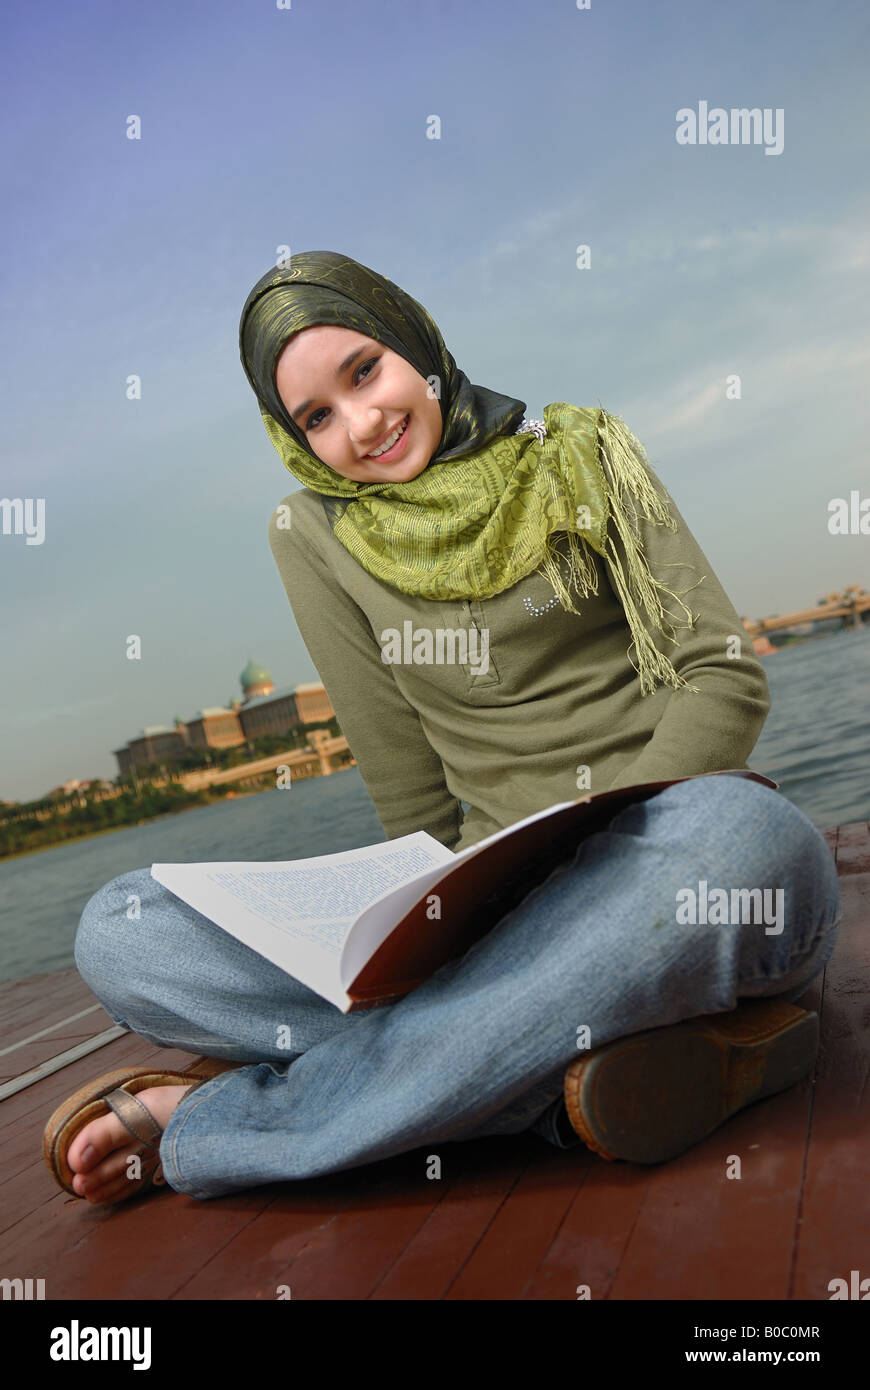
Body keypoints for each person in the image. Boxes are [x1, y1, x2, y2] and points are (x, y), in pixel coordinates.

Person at [44, 250, 842, 1206]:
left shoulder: (579, 452)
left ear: (414, 345)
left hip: (675, 871)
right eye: (316, 418)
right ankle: (566, 1083)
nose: (362, 424)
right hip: (490, 919)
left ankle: (248, 1122)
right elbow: (410, 795)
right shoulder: (313, 534)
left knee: (741, 838)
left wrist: (593, 844)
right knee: (124, 931)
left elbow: (720, 674)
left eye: (365, 371)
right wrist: (429, 913)